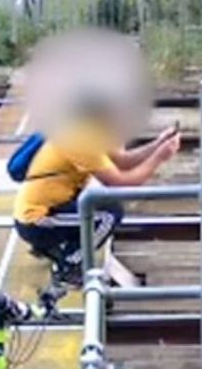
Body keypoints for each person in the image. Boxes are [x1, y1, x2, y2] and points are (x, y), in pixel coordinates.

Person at [12, 99, 180, 287]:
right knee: (107, 215)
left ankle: (56, 248)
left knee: (98, 206)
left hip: (55, 208)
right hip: (37, 220)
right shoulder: (80, 139)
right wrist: (159, 158)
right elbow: (122, 184)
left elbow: (122, 161)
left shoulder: (90, 130)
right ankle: (67, 267)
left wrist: (158, 144)